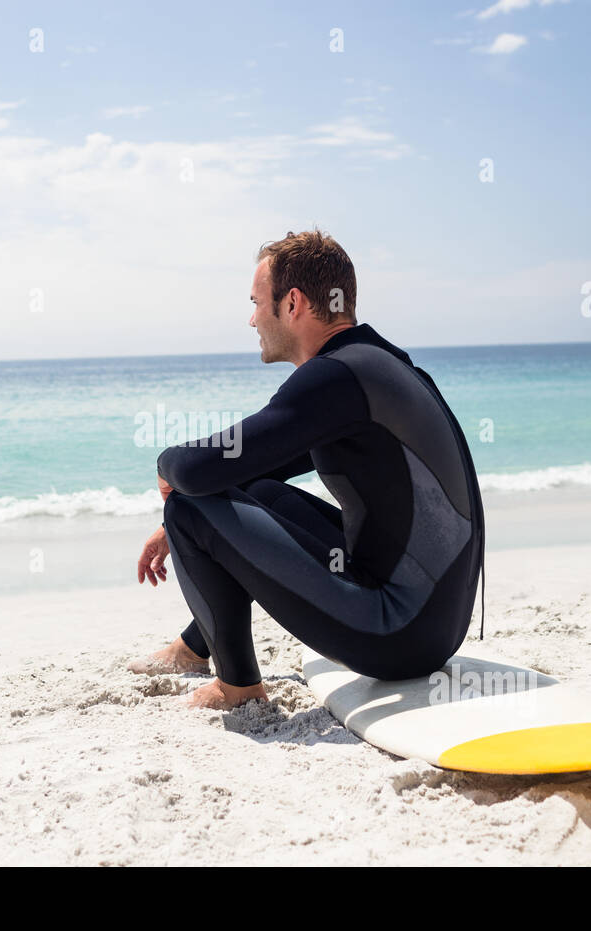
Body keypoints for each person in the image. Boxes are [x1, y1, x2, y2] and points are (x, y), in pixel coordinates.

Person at [130, 230, 485, 711]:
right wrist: (192, 504)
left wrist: (165, 468)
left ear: (292, 303)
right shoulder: (378, 364)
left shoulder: (333, 376)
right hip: (433, 627)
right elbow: (254, 466)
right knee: (259, 490)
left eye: (257, 302)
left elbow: (196, 469)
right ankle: (196, 647)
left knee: (191, 505)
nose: (251, 318)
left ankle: (237, 688)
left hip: (397, 632)